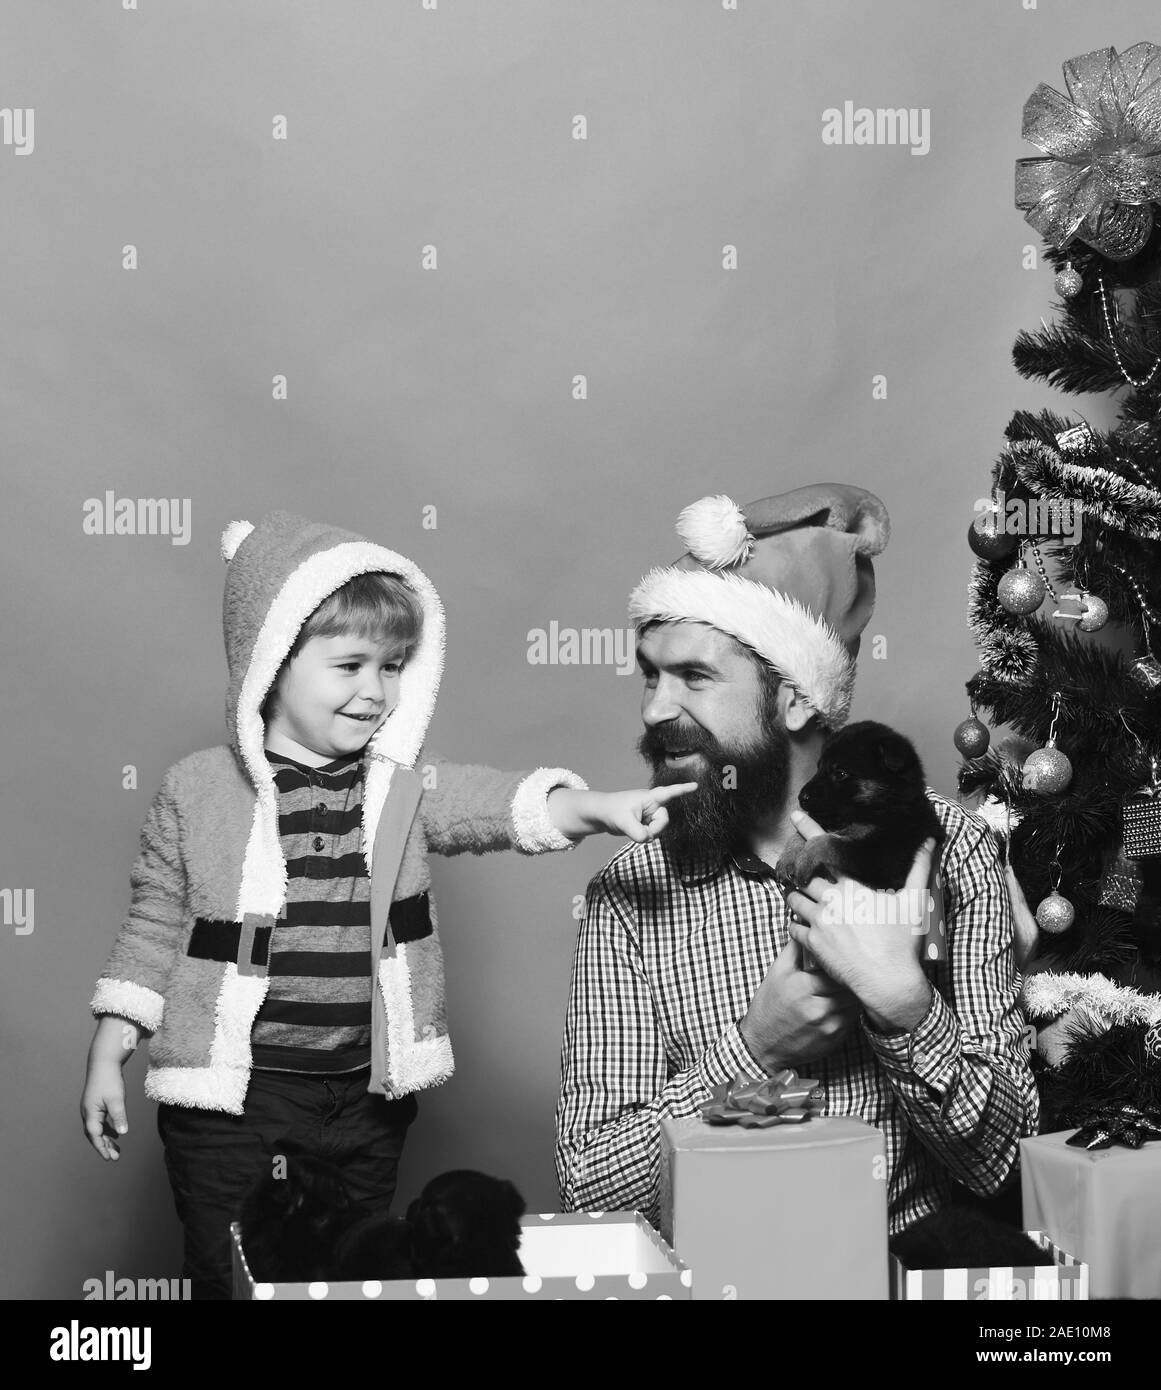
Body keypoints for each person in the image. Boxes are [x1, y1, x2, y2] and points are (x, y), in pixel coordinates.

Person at [80, 509, 692, 1299]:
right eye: (351, 665)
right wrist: (110, 1046)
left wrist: (596, 806)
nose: (376, 691)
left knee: (351, 1280)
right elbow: (154, 922)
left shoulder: (398, 786)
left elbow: (493, 804)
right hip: (238, 1106)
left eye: (394, 665)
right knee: (235, 1278)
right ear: (271, 663)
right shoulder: (197, 789)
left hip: (363, 1103)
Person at [555, 485, 1039, 1235]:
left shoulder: (949, 852)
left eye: (694, 676)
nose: (653, 708)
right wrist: (754, 1049)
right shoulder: (629, 894)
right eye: (650, 674)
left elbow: (1003, 1161)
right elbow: (588, 1188)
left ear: (795, 700)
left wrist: (904, 1005)